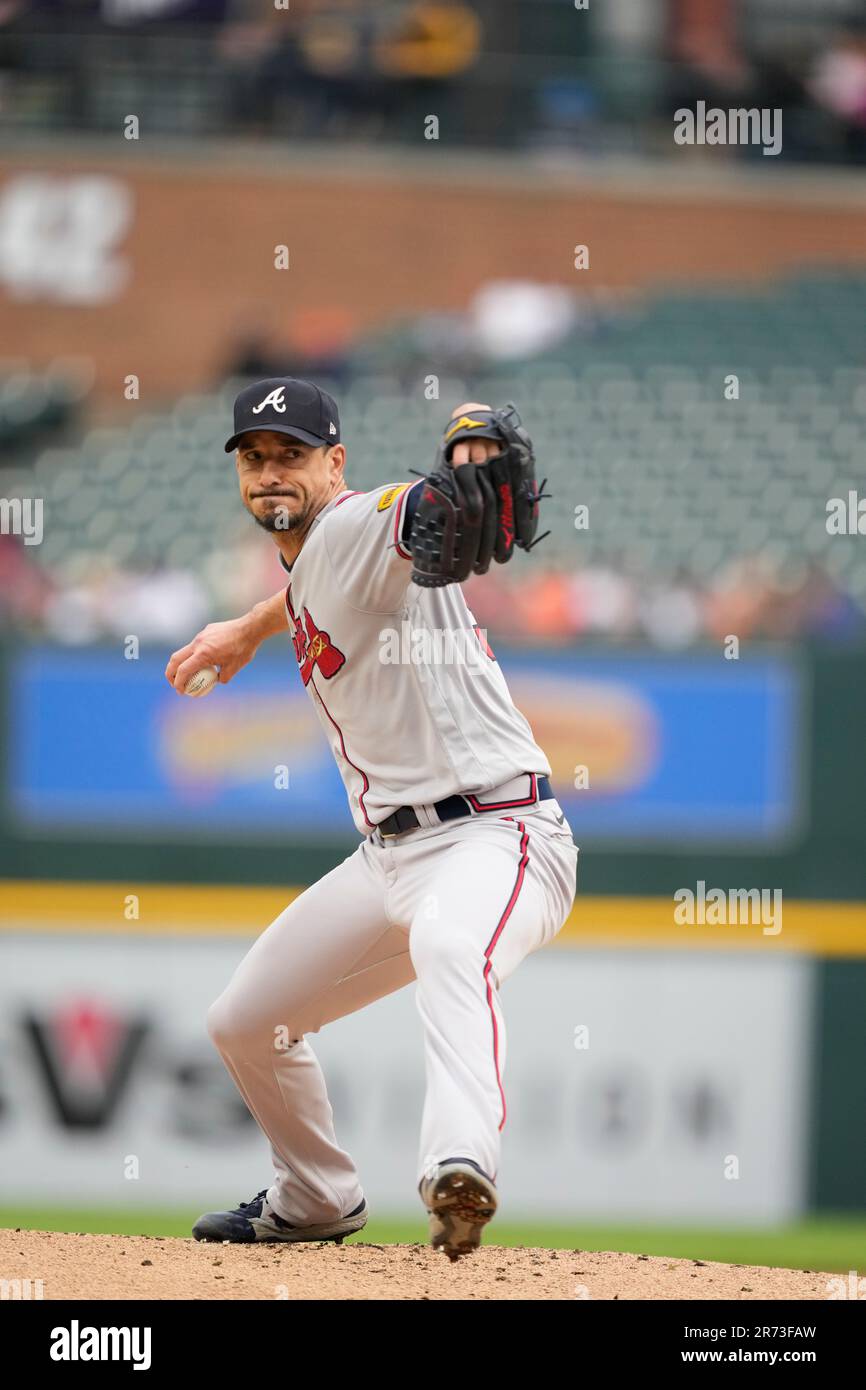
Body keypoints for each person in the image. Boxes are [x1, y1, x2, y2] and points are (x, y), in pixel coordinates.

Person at [165, 376, 579, 1261]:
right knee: (247, 1024)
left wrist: (465, 469)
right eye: (254, 457)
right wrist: (248, 626)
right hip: (389, 856)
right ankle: (315, 1198)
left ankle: (459, 1162)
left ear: (336, 462)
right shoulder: (315, 559)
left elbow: (408, 517)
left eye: (293, 455)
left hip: (498, 835)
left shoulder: (357, 523)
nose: (270, 472)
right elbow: (325, 580)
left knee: (447, 943)